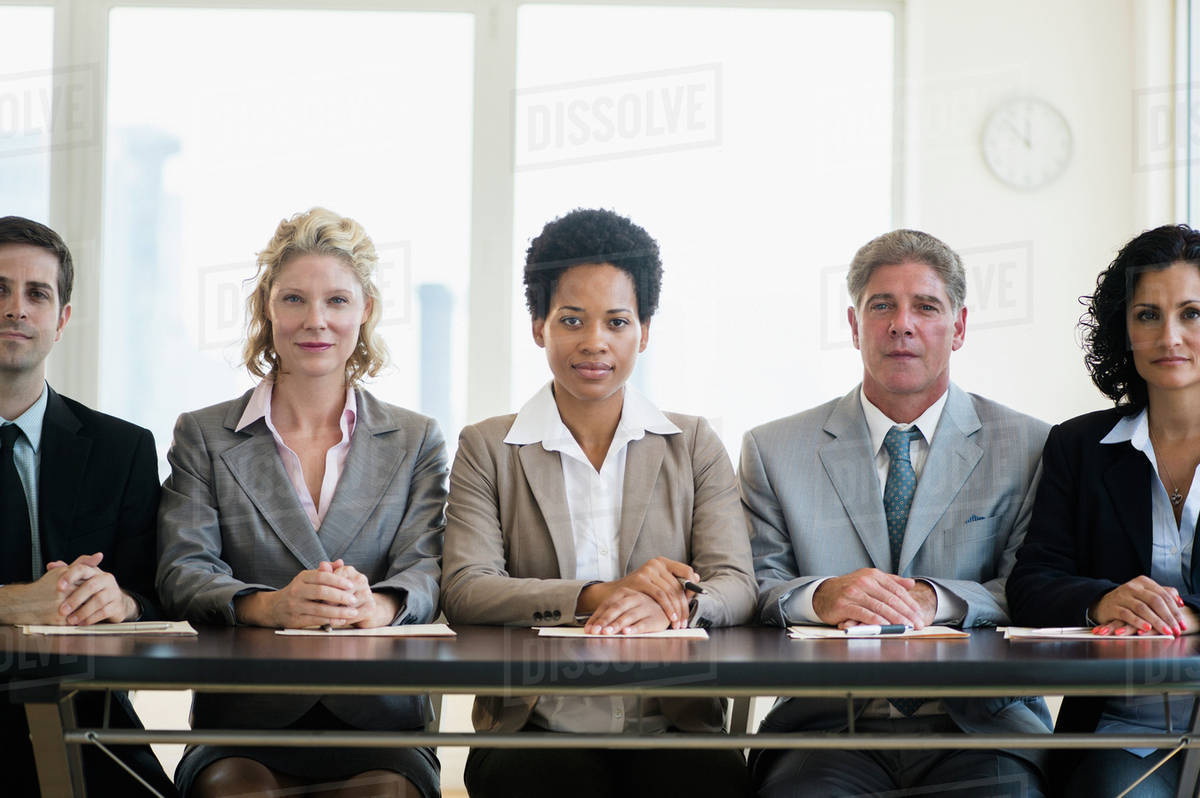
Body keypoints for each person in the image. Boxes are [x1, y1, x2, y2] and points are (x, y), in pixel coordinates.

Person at [441, 208, 757, 798]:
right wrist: (598, 596)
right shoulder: (487, 448)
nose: (595, 343)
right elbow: (465, 587)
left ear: (644, 330)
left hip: (675, 728)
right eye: (571, 320)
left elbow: (737, 584)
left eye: (617, 321)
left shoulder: (692, 445)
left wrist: (673, 605)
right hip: (533, 732)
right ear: (539, 326)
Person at [740, 229, 1052, 797]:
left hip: (984, 729)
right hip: (826, 729)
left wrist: (942, 599)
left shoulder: (1031, 445)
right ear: (855, 325)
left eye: (925, 306)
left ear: (958, 328)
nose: (901, 324)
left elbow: (1033, 588)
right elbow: (755, 586)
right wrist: (819, 597)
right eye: (881, 305)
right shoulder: (774, 449)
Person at [156, 208, 446, 798]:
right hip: (244, 718)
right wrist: (272, 607)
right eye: (294, 299)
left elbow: (429, 569)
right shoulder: (205, 435)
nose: (316, 321)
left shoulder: (416, 439)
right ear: (268, 307)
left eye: (337, 300)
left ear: (365, 311)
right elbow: (182, 571)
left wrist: (380, 606)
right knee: (236, 791)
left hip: (379, 720)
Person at [1008, 224, 1200, 797]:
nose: (1170, 335)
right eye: (1147, 315)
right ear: (1125, 330)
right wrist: (1098, 600)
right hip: (1122, 732)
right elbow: (1031, 583)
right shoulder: (1078, 447)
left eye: (1192, 313)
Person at [0, 216, 175, 796]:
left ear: (61, 320)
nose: (16, 309)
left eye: (36, 293)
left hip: (88, 722)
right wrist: (12, 602)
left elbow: (157, 595)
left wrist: (119, 601)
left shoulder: (123, 449)